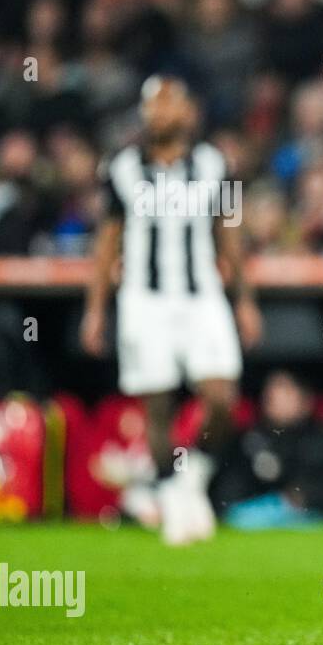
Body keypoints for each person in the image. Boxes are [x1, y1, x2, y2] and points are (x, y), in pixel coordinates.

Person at [80, 75, 262, 545]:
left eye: (168, 103)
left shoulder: (215, 163)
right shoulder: (119, 167)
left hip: (202, 295)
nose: (159, 113)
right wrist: (95, 309)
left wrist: (244, 299)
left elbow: (230, 231)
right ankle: (172, 495)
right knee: (157, 407)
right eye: (152, 105)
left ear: (187, 111)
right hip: (144, 300)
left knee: (222, 398)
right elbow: (107, 242)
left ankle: (189, 479)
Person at [214, 370, 323, 528]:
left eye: (286, 393)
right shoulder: (249, 438)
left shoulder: (319, 440)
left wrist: (299, 497)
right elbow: (230, 486)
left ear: (305, 401)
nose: (275, 398)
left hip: (310, 517)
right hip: (251, 516)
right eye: (271, 393)